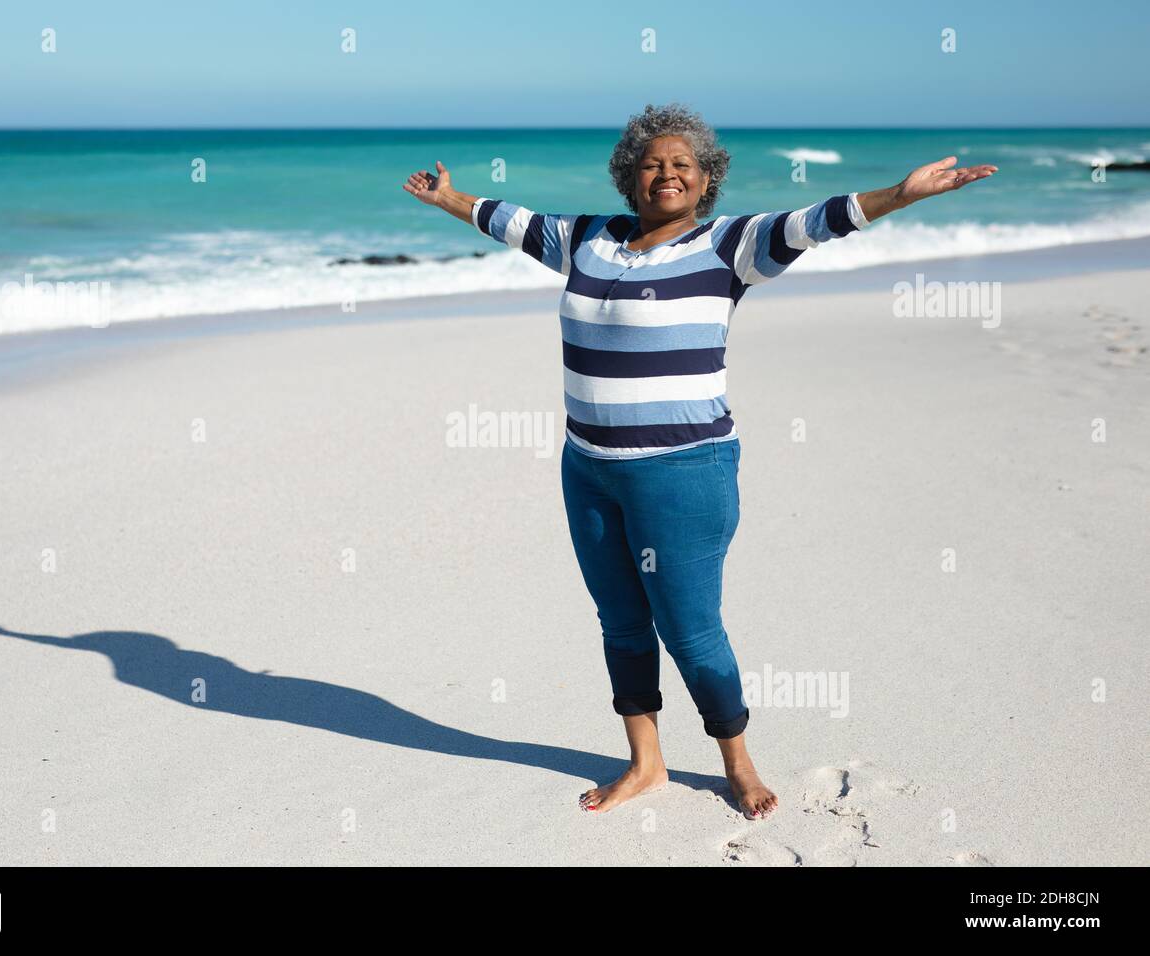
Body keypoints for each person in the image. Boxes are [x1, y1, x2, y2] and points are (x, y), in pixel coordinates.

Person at [402, 102, 996, 819]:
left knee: (690, 629)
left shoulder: (730, 245)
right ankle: (645, 762)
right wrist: (450, 198)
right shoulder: (587, 238)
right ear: (630, 176)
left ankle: (737, 762)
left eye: (684, 163)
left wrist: (900, 195)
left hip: (685, 473)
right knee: (619, 620)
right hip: (588, 466)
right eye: (652, 163)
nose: (667, 173)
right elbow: (513, 220)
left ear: (707, 178)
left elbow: (816, 219)